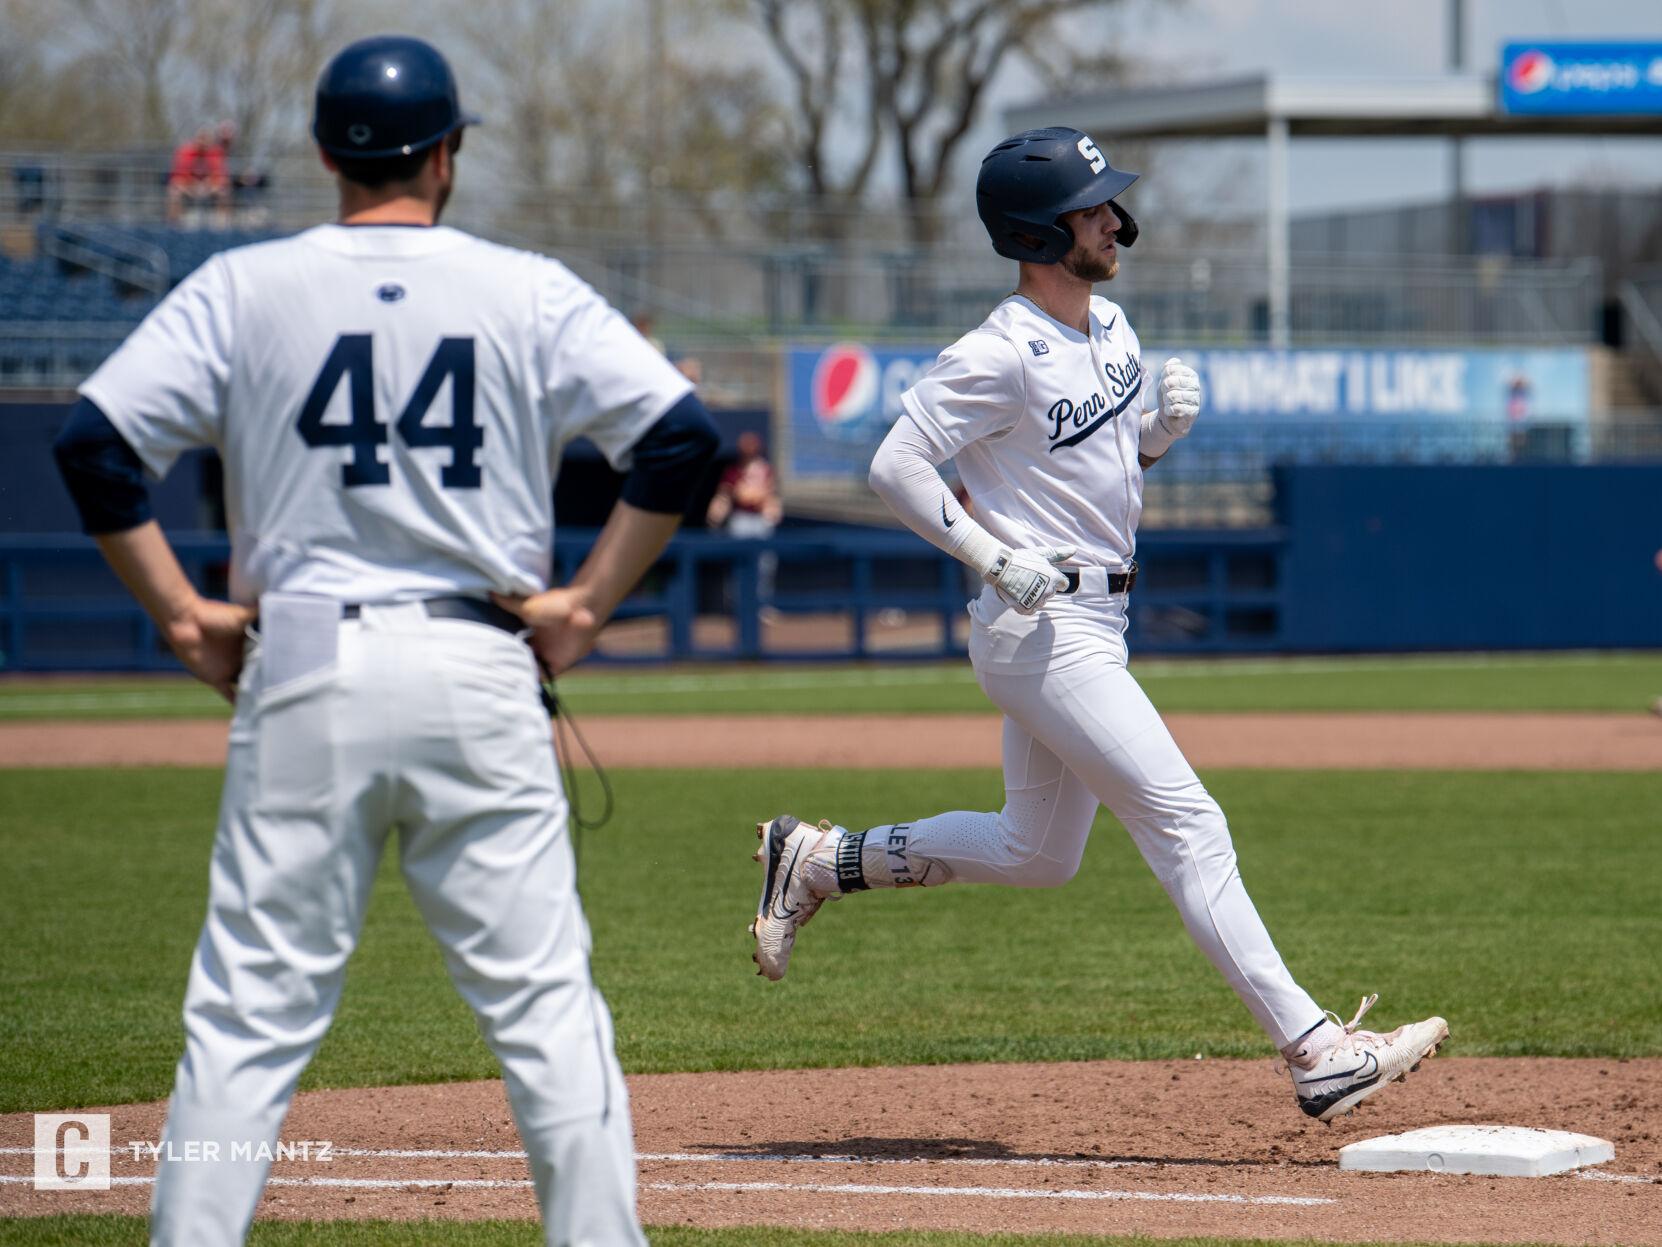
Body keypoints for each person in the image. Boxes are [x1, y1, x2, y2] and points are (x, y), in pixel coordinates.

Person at [53, 35, 716, 1245]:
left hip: (302, 658)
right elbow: (680, 440)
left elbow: (94, 447)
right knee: (546, 1011)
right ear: (449, 150)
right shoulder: (527, 286)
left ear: (323, 153)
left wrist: (181, 614)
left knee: (249, 1020)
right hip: (479, 659)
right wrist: (586, 604)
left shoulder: (243, 285)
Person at [747, 127, 1446, 1124]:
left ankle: (820, 858)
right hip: (1042, 628)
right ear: (1038, 228)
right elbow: (895, 465)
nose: (1112, 218)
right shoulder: (997, 351)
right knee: (1188, 822)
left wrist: (1154, 440)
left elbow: (1088, 478)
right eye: (1090, 206)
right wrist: (990, 553)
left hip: (1094, 617)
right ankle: (1319, 1049)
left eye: (1108, 202)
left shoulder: (1110, 325)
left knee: (1040, 852)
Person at [707, 430, 783, 612]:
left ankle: (762, 605)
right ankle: (739, 605)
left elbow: (768, 494)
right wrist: (716, 513)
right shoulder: (734, 471)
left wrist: (770, 505)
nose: (749, 450)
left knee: (765, 564)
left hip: (760, 520)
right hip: (740, 519)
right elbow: (727, 495)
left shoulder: (766, 469)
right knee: (739, 563)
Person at [166, 126, 230, 226]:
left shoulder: (215, 153)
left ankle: (221, 226)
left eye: (206, 139)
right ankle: (175, 224)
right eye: (201, 138)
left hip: (210, 187)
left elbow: (221, 176)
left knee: (224, 192)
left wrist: (209, 186)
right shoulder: (185, 152)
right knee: (174, 192)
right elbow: (179, 175)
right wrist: (191, 187)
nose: (203, 142)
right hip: (188, 186)